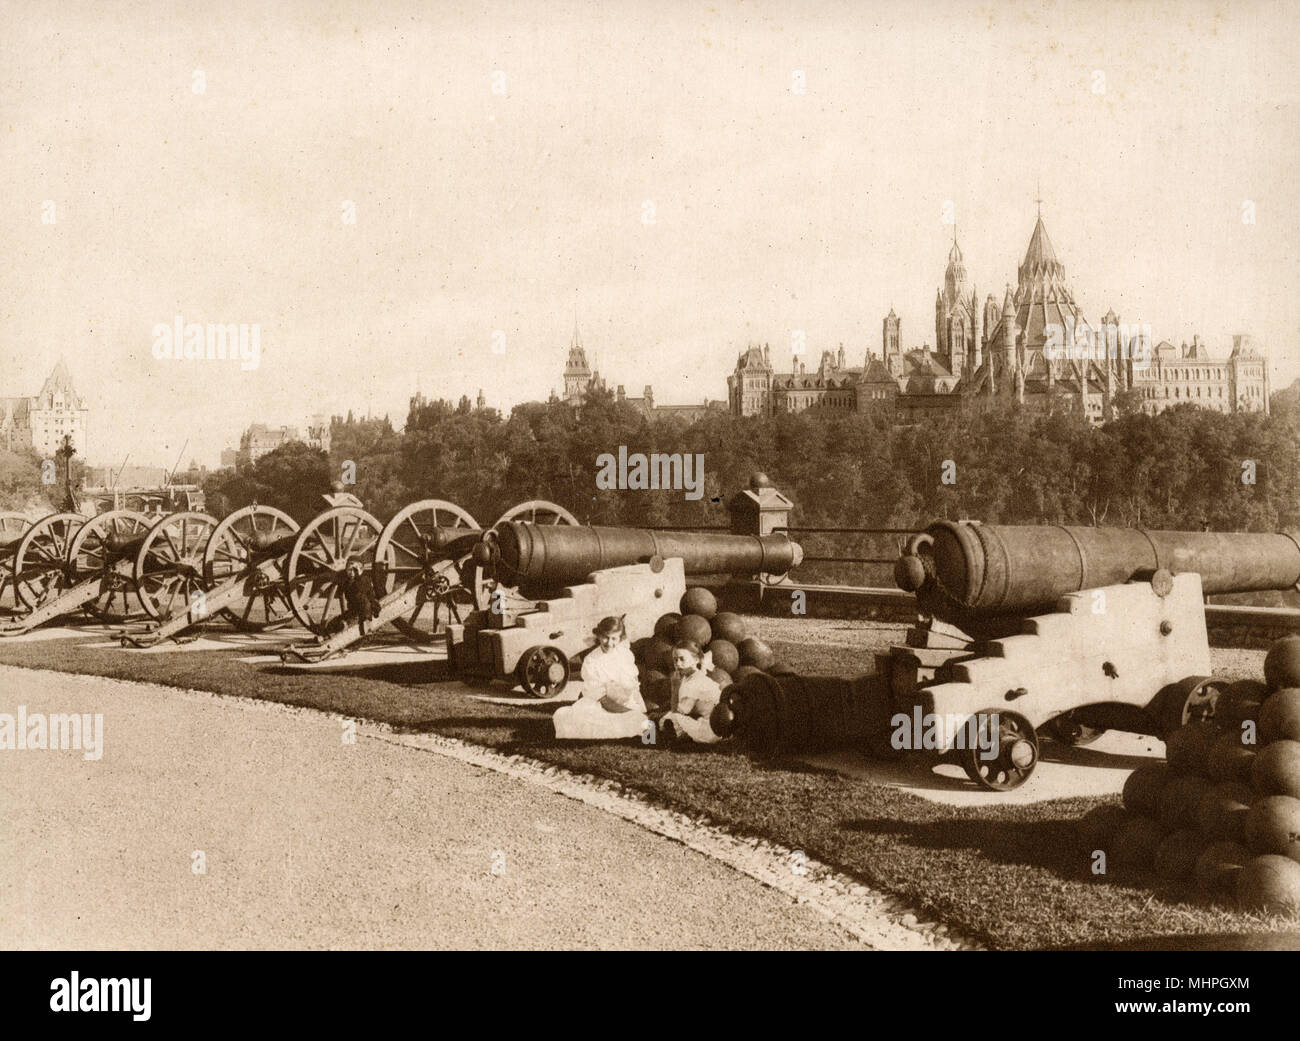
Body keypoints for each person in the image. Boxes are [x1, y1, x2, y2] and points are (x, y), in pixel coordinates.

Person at [553, 616, 649, 740]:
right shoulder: (591, 661)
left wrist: (638, 708)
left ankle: (636, 728)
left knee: (641, 720)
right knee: (566, 717)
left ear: (620, 638)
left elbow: (633, 688)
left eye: (614, 638)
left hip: (624, 702)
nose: (609, 643)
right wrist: (628, 712)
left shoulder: (625, 654)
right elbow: (603, 700)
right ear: (598, 636)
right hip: (599, 705)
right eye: (605, 637)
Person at [659, 639, 723, 745]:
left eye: (682, 659)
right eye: (675, 660)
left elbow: (679, 712)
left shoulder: (695, 682)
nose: (678, 664)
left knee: (671, 717)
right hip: (703, 721)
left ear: (696, 660)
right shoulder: (689, 677)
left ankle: (676, 739)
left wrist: (675, 687)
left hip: (709, 728)